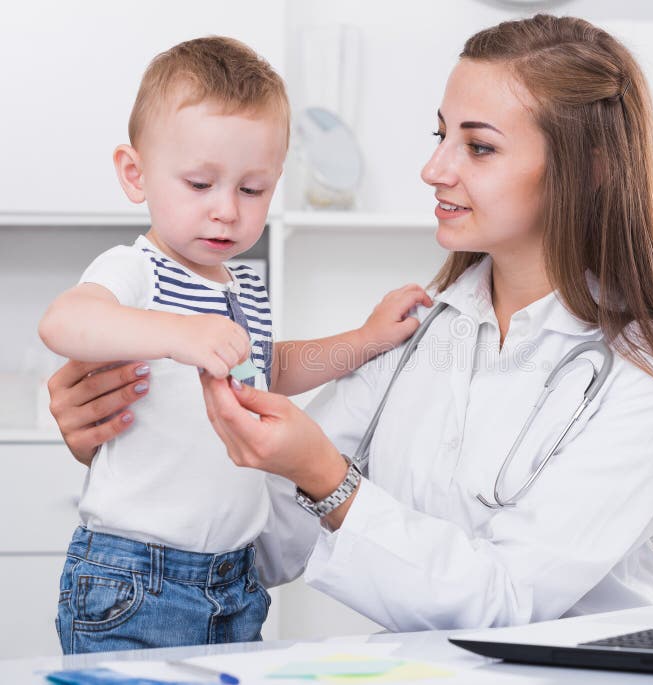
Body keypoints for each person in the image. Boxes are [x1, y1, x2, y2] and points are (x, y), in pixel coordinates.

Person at [48, 15, 653, 633]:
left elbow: (507, 601)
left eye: (479, 147)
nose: (433, 168)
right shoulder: (419, 330)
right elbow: (267, 534)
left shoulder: (652, 378)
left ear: (590, 169)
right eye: (441, 135)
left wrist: (328, 479)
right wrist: (143, 442)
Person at [38, 36, 429, 654]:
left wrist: (364, 340)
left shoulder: (243, 283)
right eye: (200, 184)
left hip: (234, 580)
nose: (226, 211)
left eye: (252, 190)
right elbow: (64, 322)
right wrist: (179, 333)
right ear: (134, 174)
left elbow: (269, 367)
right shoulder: (136, 269)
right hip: (137, 576)